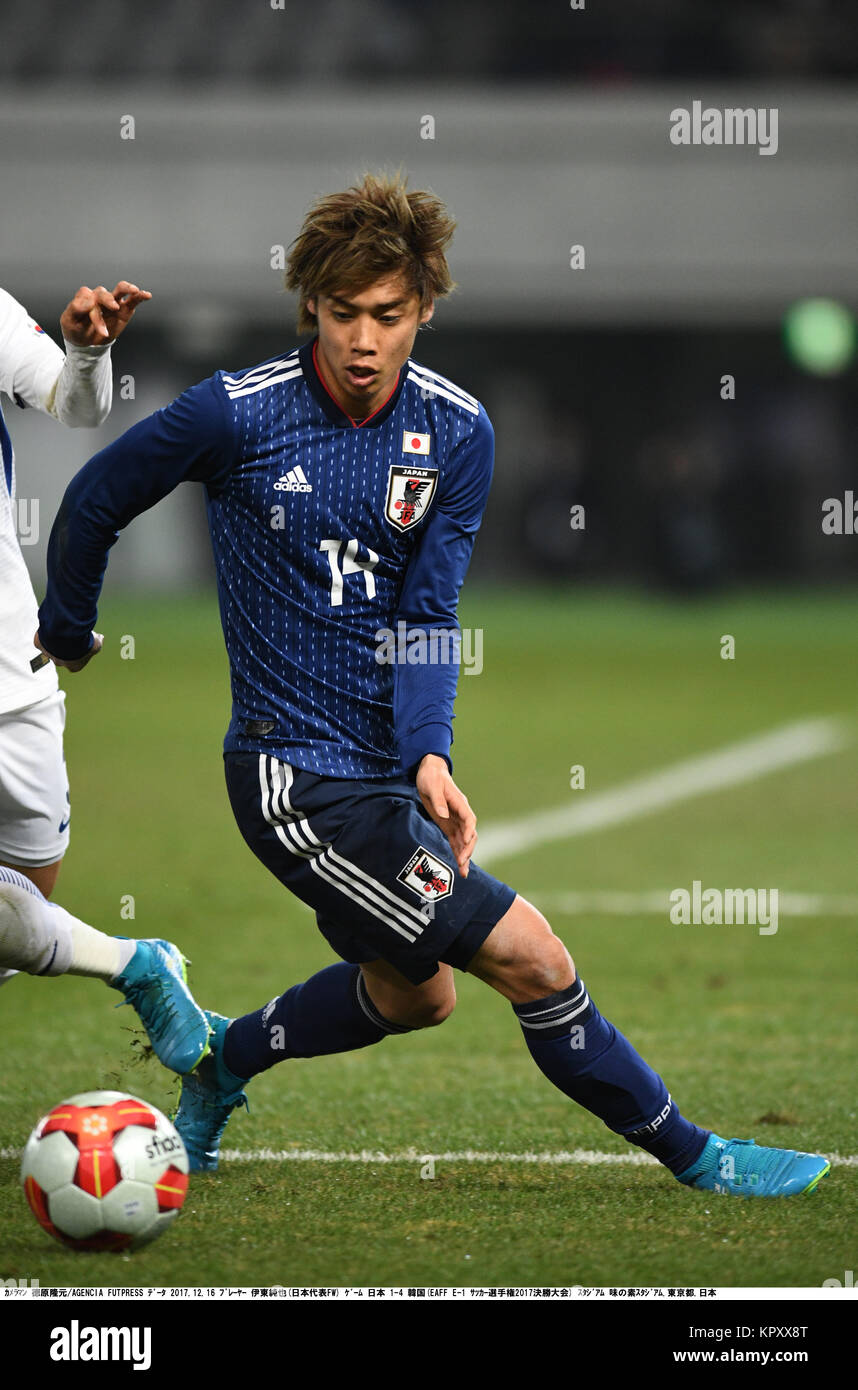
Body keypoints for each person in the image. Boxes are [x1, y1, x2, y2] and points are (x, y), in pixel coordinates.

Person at [35, 174, 828, 1198]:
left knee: (416, 1000)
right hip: (293, 775)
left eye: (390, 316)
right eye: (344, 314)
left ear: (424, 312)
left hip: (380, 777)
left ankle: (221, 1060)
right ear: (311, 306)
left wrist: (431, 753)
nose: (365, 341)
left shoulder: (455, 432)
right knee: (535, 959)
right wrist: (70, 623)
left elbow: (427, 614)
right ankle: (702, 1156)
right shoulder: (236, 416)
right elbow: (98, 495)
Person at [0, 280, 210, 1075]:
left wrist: (89, 352)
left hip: (12, 677)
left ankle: (138, 961)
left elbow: (74, 405)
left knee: (21, 925)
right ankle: (134, 965)